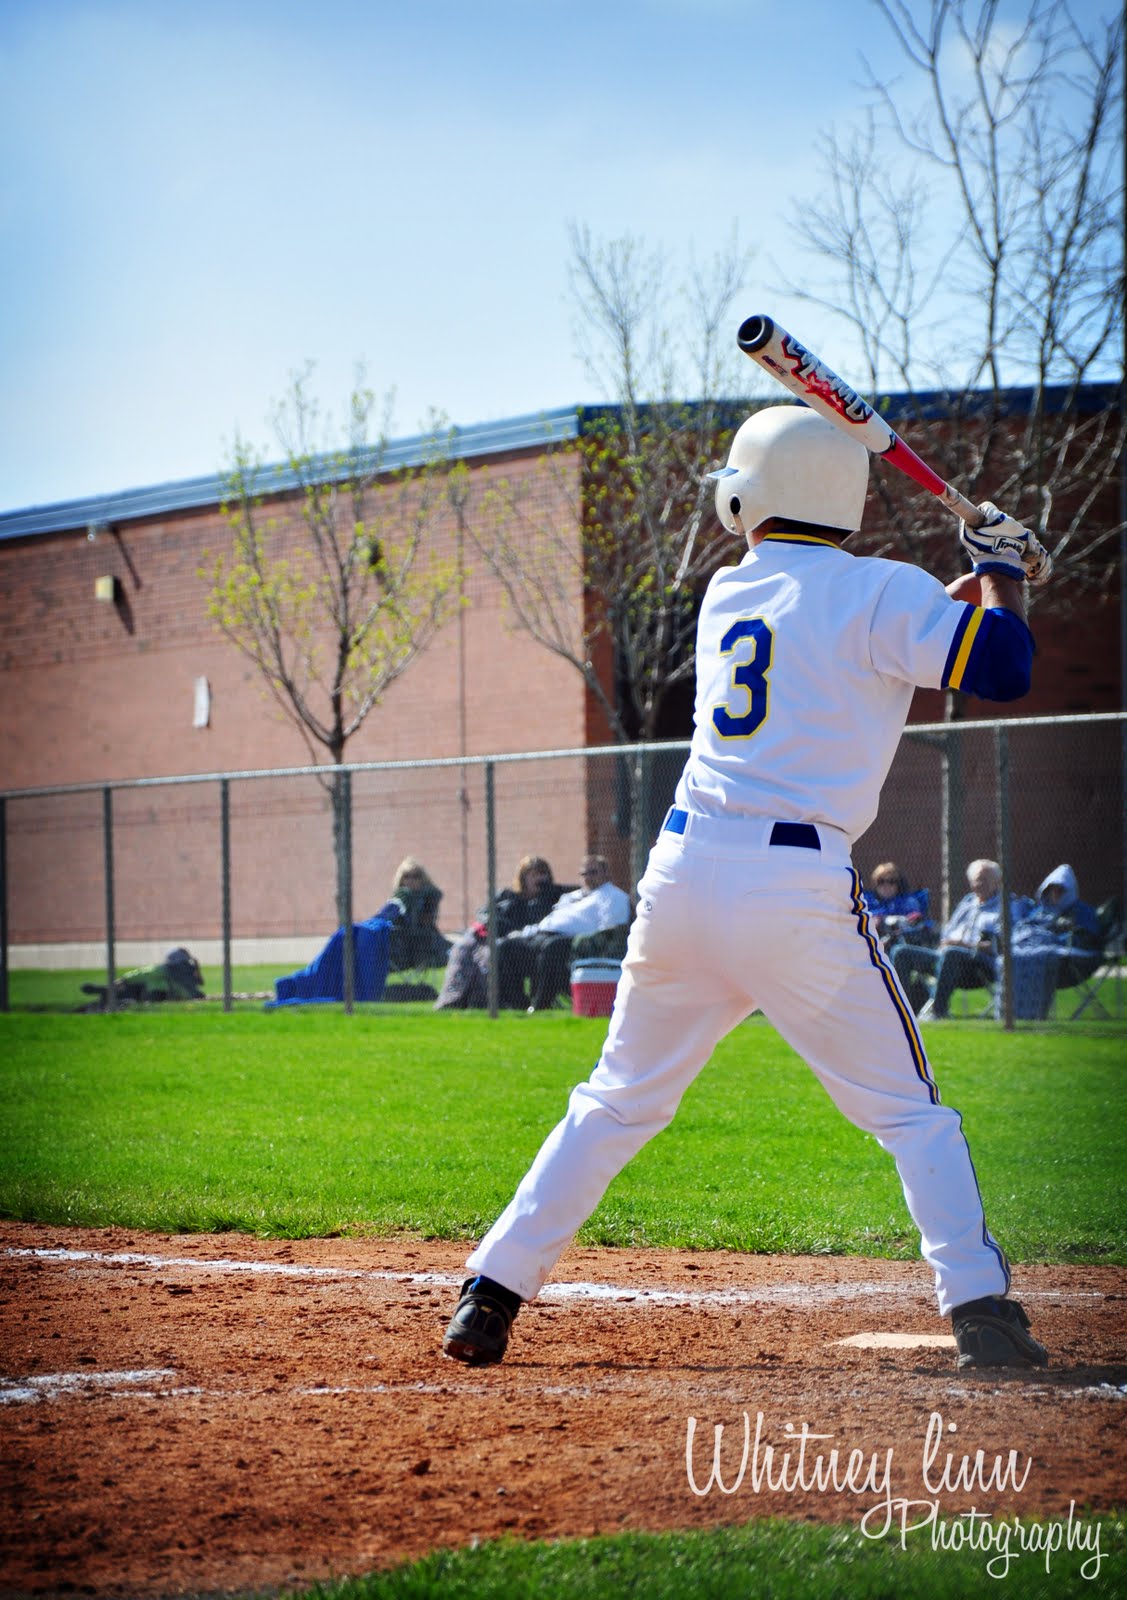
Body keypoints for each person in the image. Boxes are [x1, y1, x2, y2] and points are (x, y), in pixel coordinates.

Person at [442, 403, 1052, 1373]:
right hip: (792, 885)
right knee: (910, 1113)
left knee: (612, 1101)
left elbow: (856, 638)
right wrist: (1005, 572)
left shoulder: (728, 591)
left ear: (747, 495)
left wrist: (975, 581)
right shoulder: (880, 592)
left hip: (682, 877)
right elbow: (1002, 663)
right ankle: (979, 1310)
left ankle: (488, 1291)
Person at [889, 858, 1028, 1018]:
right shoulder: (967, 903)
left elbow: (1003, 944)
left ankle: (939, 1012)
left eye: (985, 880)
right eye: (976, 880)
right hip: (945, 957)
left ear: (997, 881)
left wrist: (965, 945)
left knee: (952, 953)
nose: (979, 884)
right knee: (901, 952)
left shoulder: (1007, 906)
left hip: (979, 965)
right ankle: (900, 1011)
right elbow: (947, 933)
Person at [495, 855, 632, 1011]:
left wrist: (582, 938)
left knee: (552, 947)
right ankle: (518, 1005)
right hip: (542, 935)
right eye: (583, 873)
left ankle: (540, 1005)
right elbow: (551, 921)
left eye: (593, 872)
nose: (587, 877)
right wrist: (524, 932)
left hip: (573, 943)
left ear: (606, 873)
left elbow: (610, 931)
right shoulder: (571, 897)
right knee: (506, 946)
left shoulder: (613, 896)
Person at [433, 856, 569, 1010]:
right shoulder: (507, 896)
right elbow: (484, 913)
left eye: (543, 874)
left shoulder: (553, 898)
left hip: (526, 947)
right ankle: (454, 998)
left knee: (498, 951)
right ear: (523, 878)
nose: (539, 879)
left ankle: (509, 1002)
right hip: (491, 937)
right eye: (534, 874)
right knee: (464, 948)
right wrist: (502, 927)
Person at [1009, 864, 1102, 1020]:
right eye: (1052, 889)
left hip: (1069, 963)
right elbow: (1025, 928)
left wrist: (1060, 933)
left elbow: (1087, 937)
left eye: (1061, 890)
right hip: (1030, 948)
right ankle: (1014, 1014)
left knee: (1040, 955)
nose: (1055, 894)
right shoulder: (1039, 911)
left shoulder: (1083, 911)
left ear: (1070, 891)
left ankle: (1036, 1015)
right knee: (1013, 957)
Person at [377, 858, 451, 973]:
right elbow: (387, 914)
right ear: (401, 879)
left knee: (455, 950)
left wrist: (417, 904)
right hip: (399, 945)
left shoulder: (429, 896)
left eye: (416, 876)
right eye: (406, 876)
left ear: (423, 879)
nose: (411, 880)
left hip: (425, 943)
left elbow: (427, 921)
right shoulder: (401, 896)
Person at [861, 861, 932, 950]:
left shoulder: (908, 901)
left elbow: (915, 922)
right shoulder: (867, 901)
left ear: (898, 884)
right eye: (881, 881)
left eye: (891, 881)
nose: (886, 886)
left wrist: (885, 920)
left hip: (897, 941)